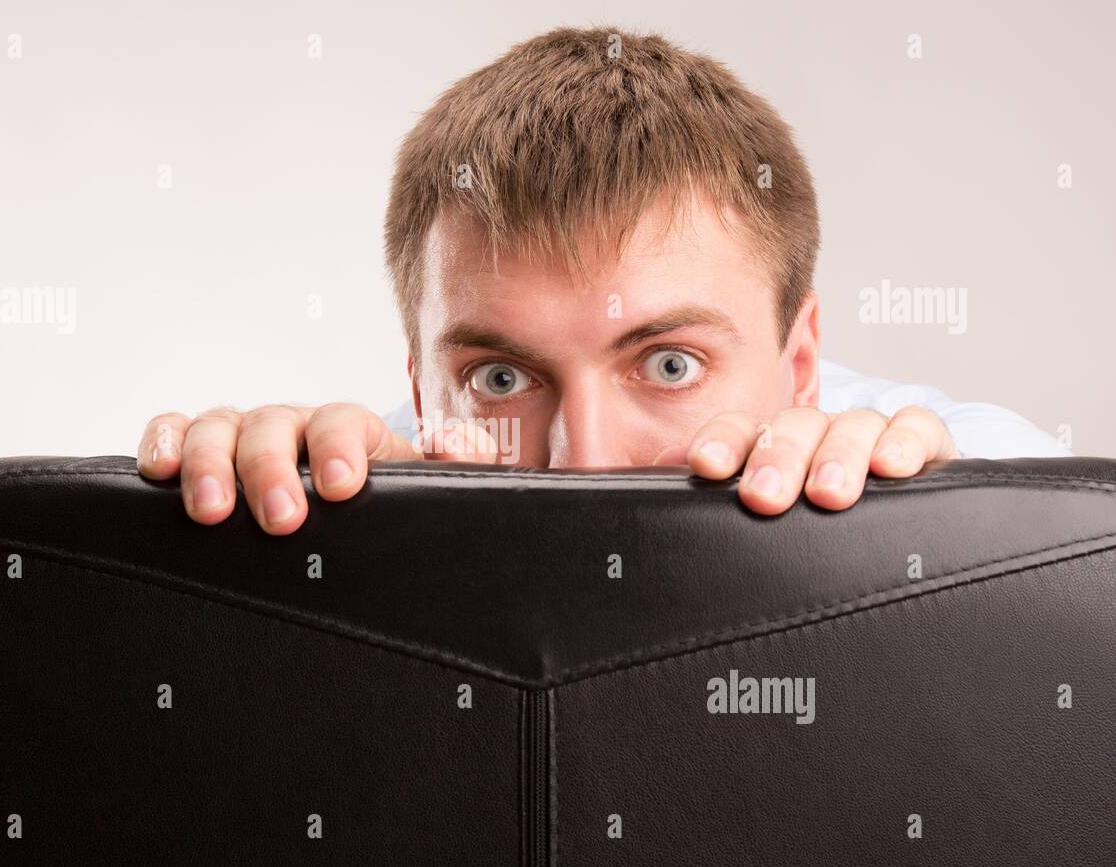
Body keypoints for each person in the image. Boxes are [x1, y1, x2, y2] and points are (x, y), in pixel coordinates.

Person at [136, 27, 1069, 535]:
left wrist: (946, 530)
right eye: (501, 379)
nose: (583, 461)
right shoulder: (380, 470)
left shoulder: (985, 474)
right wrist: (221, 542)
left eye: (669, 366)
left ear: (801, 362)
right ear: (421, 392)